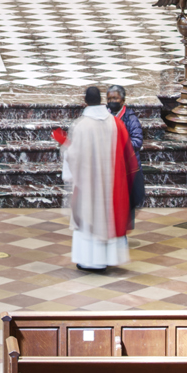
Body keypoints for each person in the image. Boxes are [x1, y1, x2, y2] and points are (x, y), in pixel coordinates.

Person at [59, 82, 130, 273]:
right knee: (106, 217)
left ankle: (89, 261)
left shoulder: (81, 125)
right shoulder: (115, 123)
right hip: (111, 183)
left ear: (85, 101)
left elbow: (74, 156)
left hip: (89, 185)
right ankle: (107, 258)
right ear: (101, 100)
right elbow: (126, 152)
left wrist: (64, 146)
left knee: (89, 218)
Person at [106, 79, 146, 235]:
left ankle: (123, 230)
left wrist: (121, 144)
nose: (112, 101)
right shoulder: (105, 116)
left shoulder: (130, 118)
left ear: (122, 100)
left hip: (127, 166)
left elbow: (137, 141)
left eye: (115, 98)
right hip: (112, 166)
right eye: (109, 98)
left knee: (127, 200)